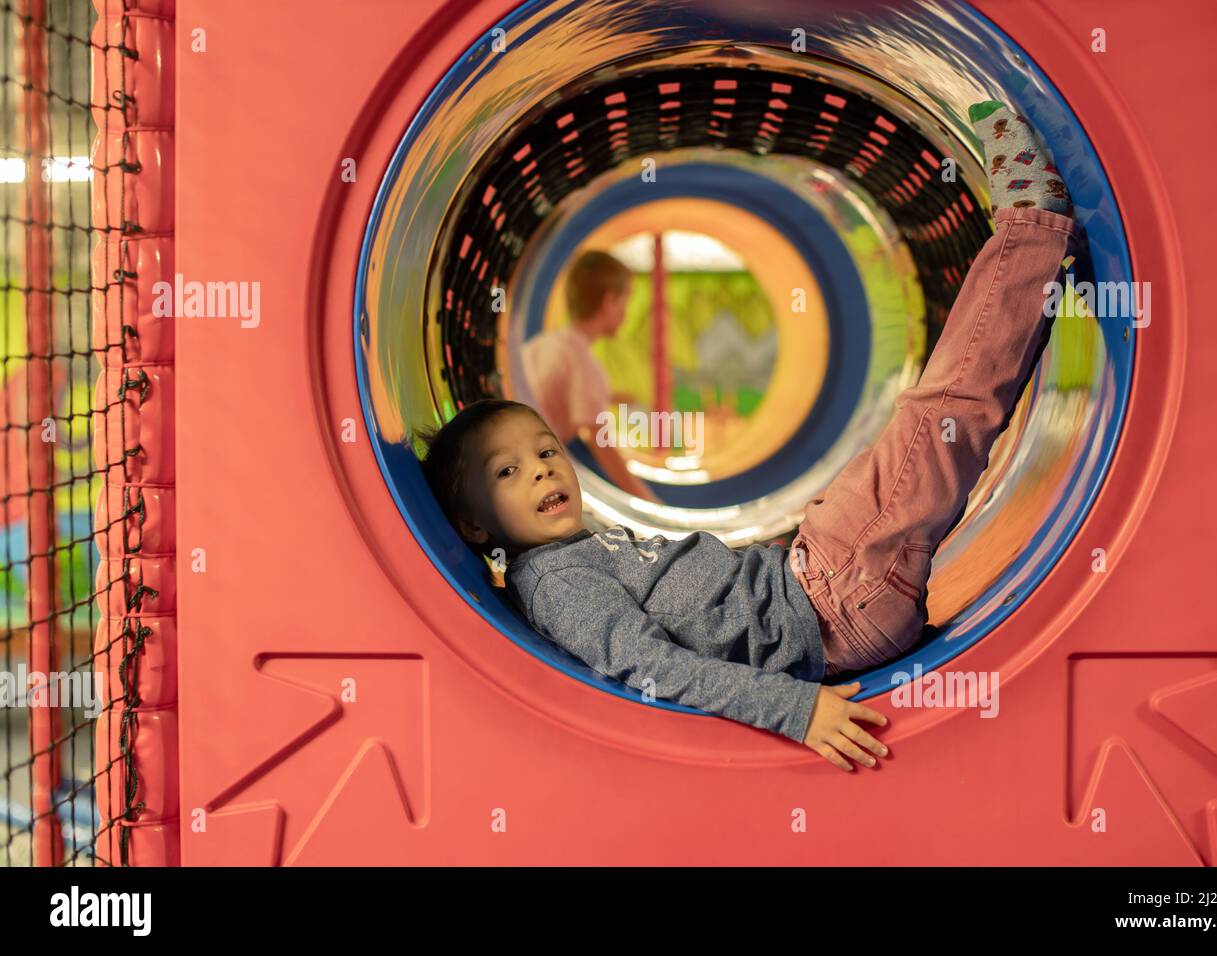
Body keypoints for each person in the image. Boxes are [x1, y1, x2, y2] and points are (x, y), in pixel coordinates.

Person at [416, 101, 1081, 772]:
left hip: (823, 592)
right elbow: (652, 668)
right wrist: (794, 708)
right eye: (506, 472)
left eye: (543, 453)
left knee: (938, 432)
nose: (538, 470)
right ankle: (1033, 230)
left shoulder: (582, 550)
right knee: (935, 418)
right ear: (475, 527)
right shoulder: (557, 584)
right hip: (831, 599)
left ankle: (1040, 269)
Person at [519, 249, 658, 501]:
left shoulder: (547, 343)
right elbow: (604, 447)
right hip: (526, 466)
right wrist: (651, 505)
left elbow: (553, 390)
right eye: (625, 302)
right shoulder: (585, 365)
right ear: (609, 302)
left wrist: (612, 397)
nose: (625, 313)